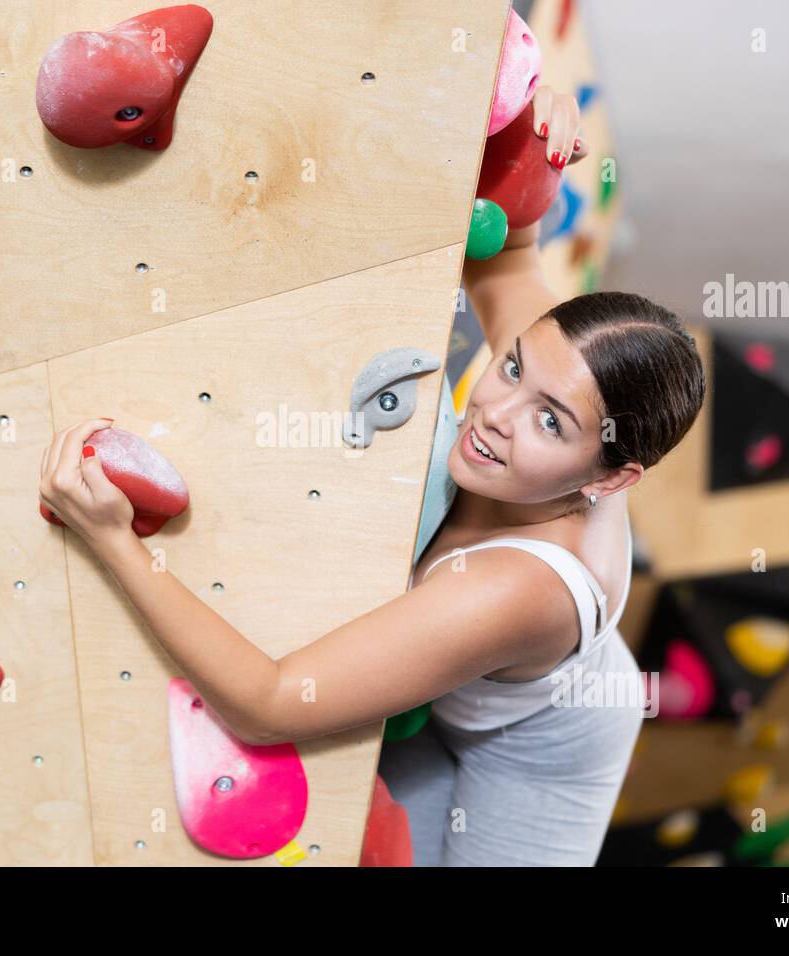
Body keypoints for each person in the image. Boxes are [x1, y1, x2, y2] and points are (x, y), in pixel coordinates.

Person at [38, 86, 705, 866]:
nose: (496, 410)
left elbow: (270, 704)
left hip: (543, 756)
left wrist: (115, 542)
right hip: (491, 679)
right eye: (512, 366)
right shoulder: (568, 370)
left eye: (550, 421)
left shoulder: (516, 593)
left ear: (612, 479)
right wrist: (532, 124)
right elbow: (512, 253)